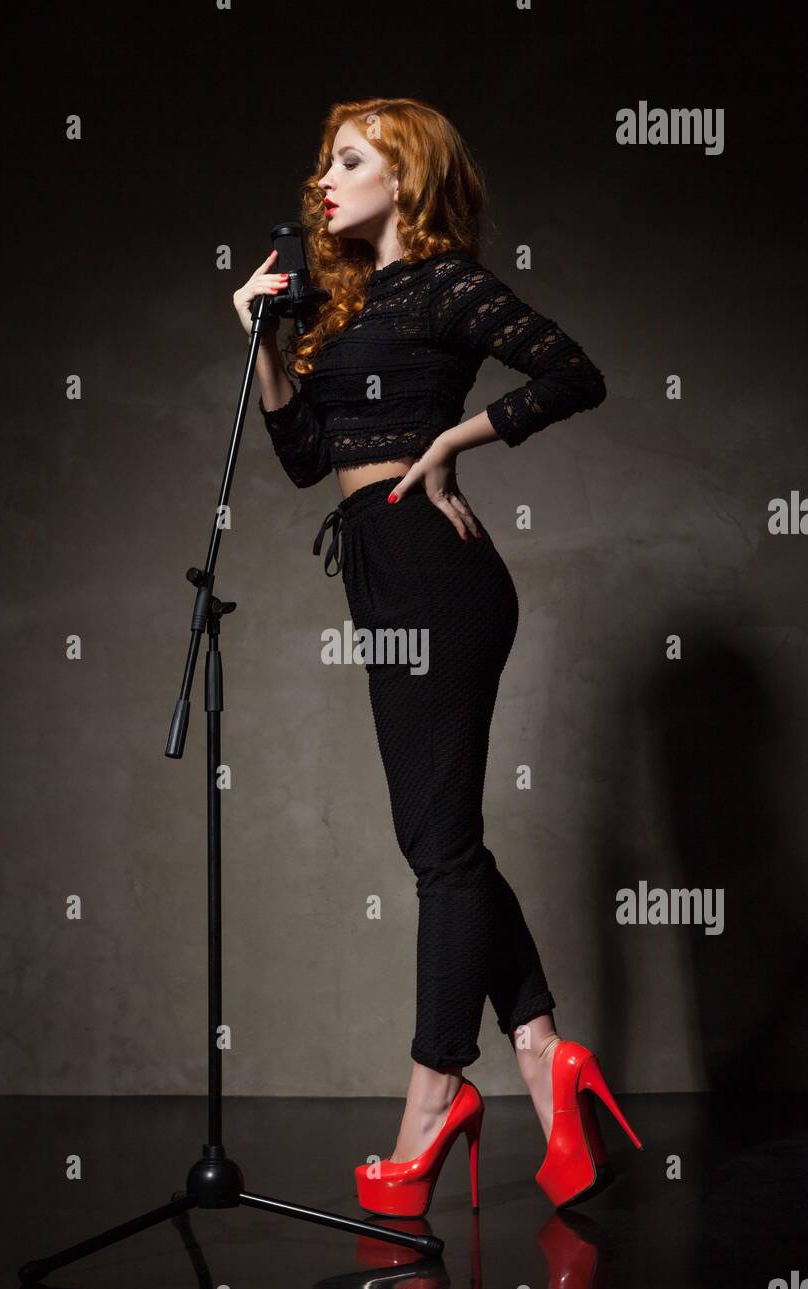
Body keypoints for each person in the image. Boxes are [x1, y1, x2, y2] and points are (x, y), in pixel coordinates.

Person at [233, 98, 642, 1213]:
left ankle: (431, 1098)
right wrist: (263, 338)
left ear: (405, 176)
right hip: (374, 563)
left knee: (438, 852)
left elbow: (572, 373)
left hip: (432, 566)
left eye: (349, 160)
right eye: (323, 161)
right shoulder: (342, 301)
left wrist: (458, 439)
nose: (324, 179)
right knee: (442, 840)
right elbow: (306, 459)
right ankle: (545, 1056)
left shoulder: (446, 283)